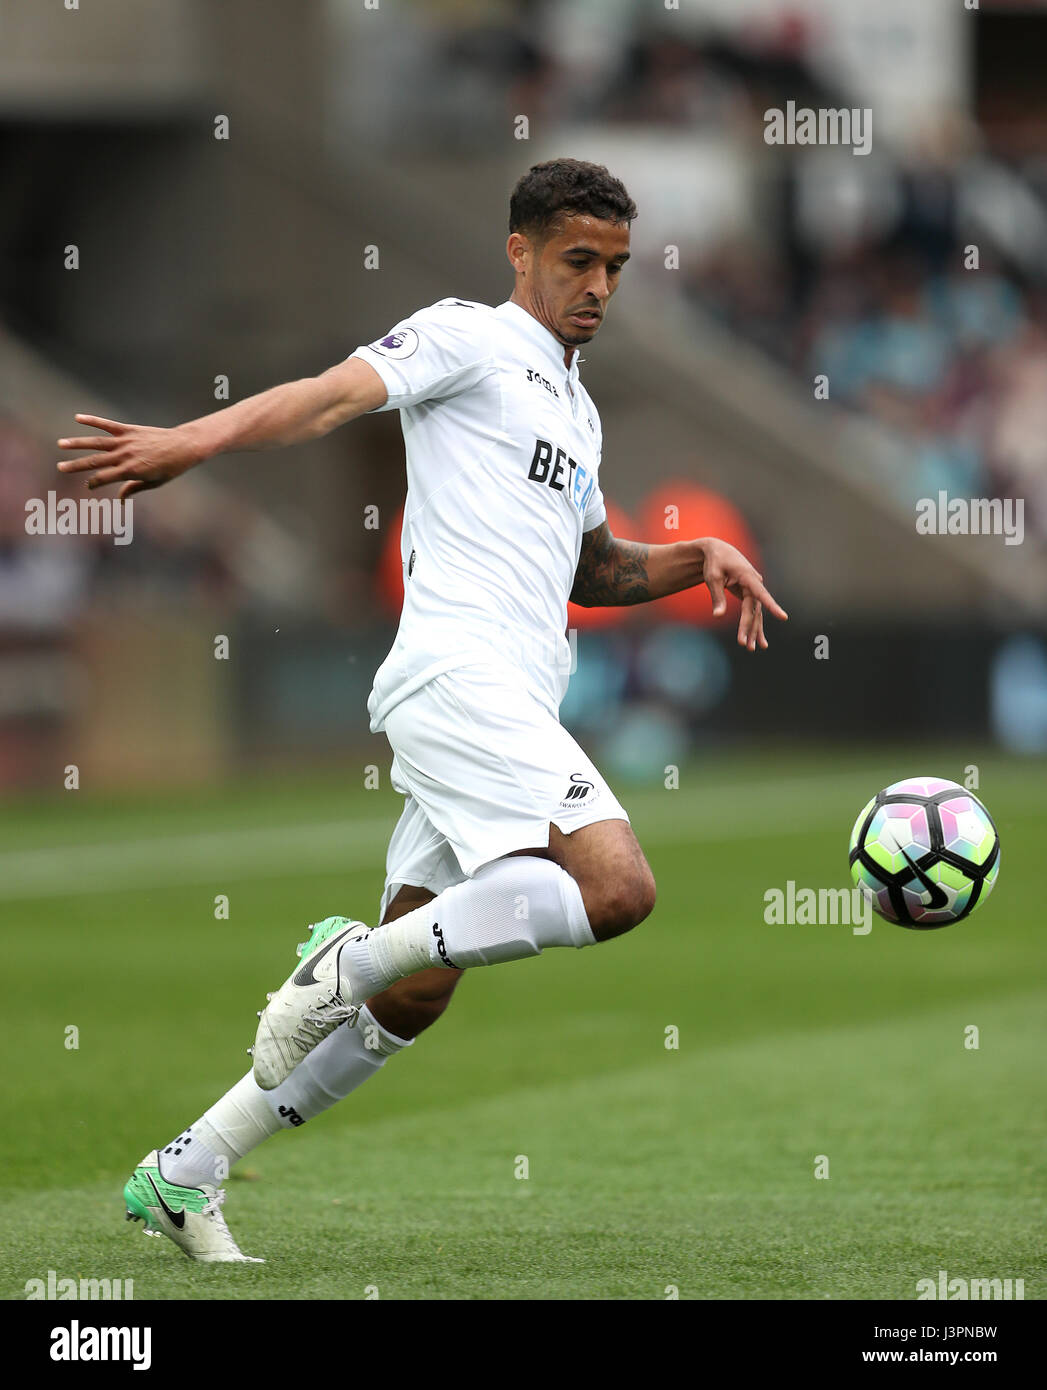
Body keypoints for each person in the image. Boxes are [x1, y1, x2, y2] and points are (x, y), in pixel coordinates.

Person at [57, 158, 787, 1262]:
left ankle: (187, 1170)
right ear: (521, 253)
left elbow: (594, 571)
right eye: (578, 260)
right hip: (458, 675)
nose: (599, 285)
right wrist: (190, 444)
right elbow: (329, 397)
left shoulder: (578, 410)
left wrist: (697, 555)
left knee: (421, 989)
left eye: (618, 268)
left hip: (507, 693)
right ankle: (342, 961)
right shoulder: (467, 336)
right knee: (616, 886)